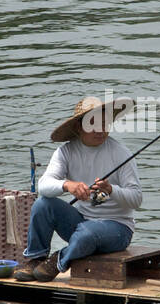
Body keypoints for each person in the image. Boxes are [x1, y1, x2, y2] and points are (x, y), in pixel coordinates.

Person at [16, 95, 142, 282]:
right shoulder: (65, 152)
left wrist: (111, 190)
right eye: (93, 124)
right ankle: (36, 258)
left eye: (104, 123)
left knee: (88, 232)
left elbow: (136, 199)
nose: (100, 130)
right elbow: (43, 186)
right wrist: (67, 185)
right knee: (43, 204)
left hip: (118, 228)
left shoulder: (120, 153)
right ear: (78, 127)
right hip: (82, 222)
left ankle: (58, 261)